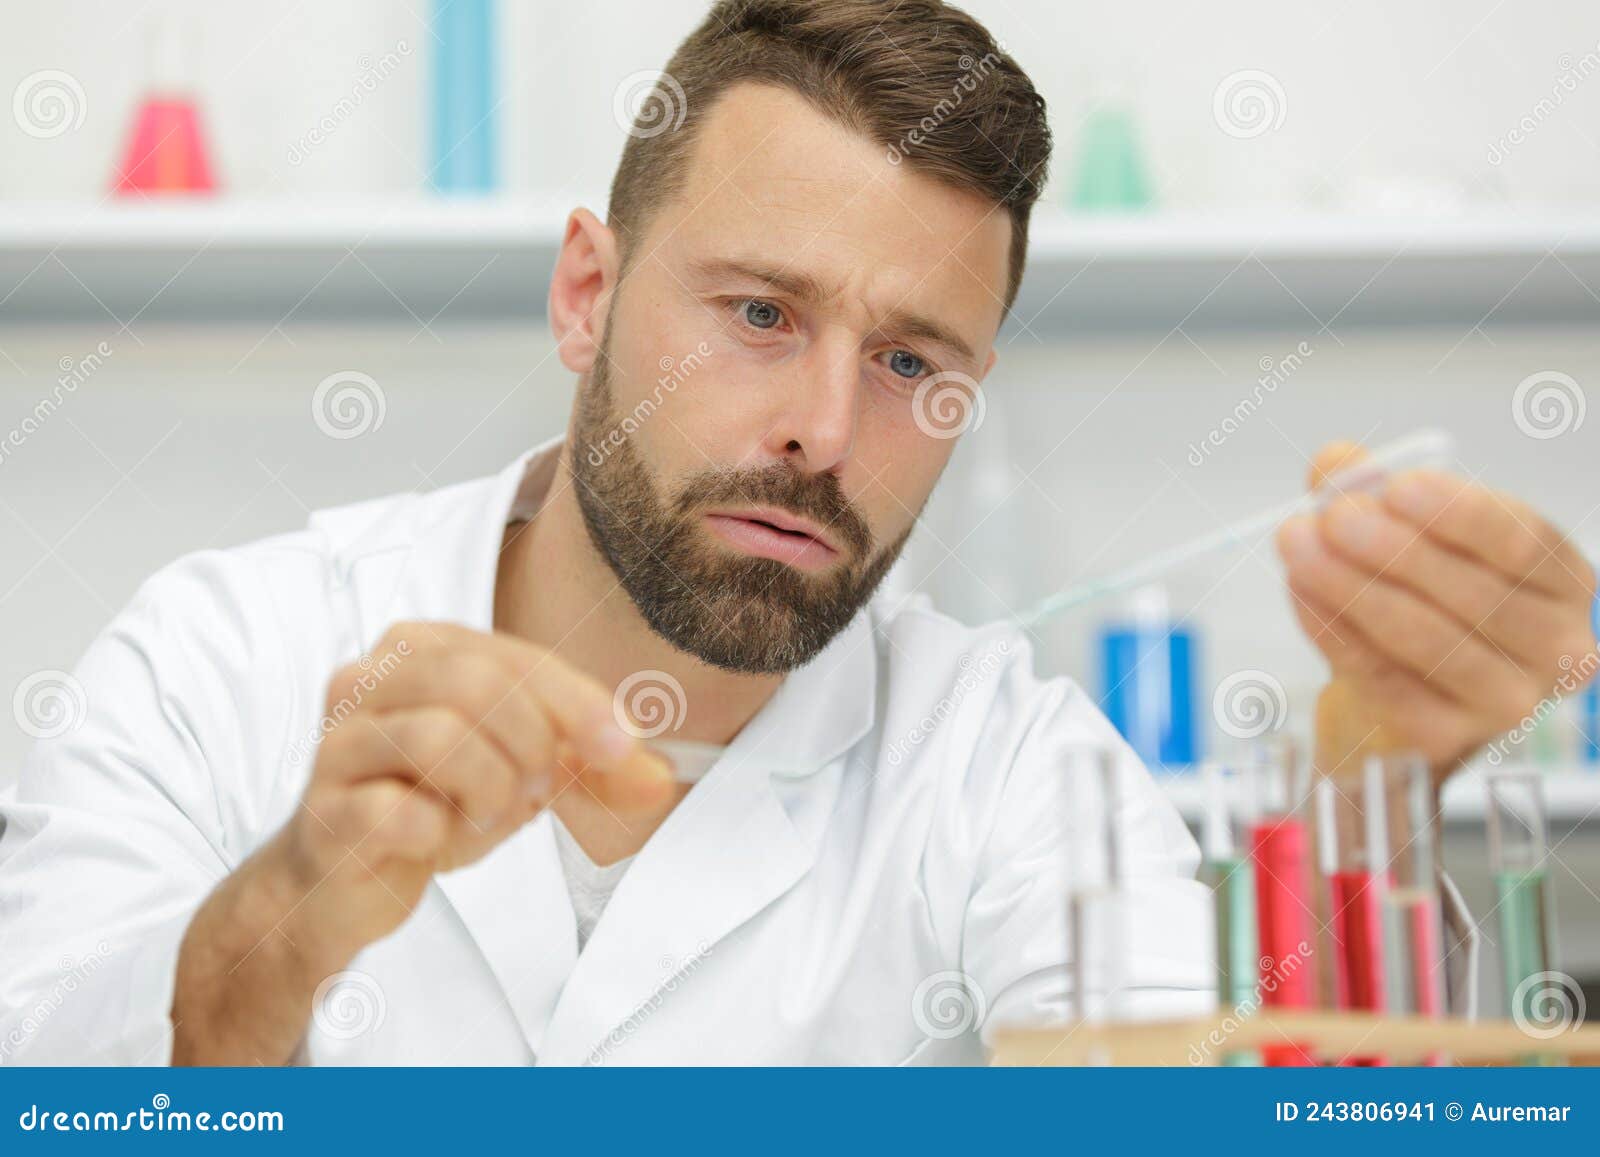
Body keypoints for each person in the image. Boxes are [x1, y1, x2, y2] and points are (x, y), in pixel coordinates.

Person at [1, 0, 1594, 1066]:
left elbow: (1215, 1114)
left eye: (913, 362)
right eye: (762, 313)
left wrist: (1369, 793)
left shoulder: (1003, 764)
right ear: (586, 292)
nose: (825, 432)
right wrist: (285, 915)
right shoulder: (222, 658)